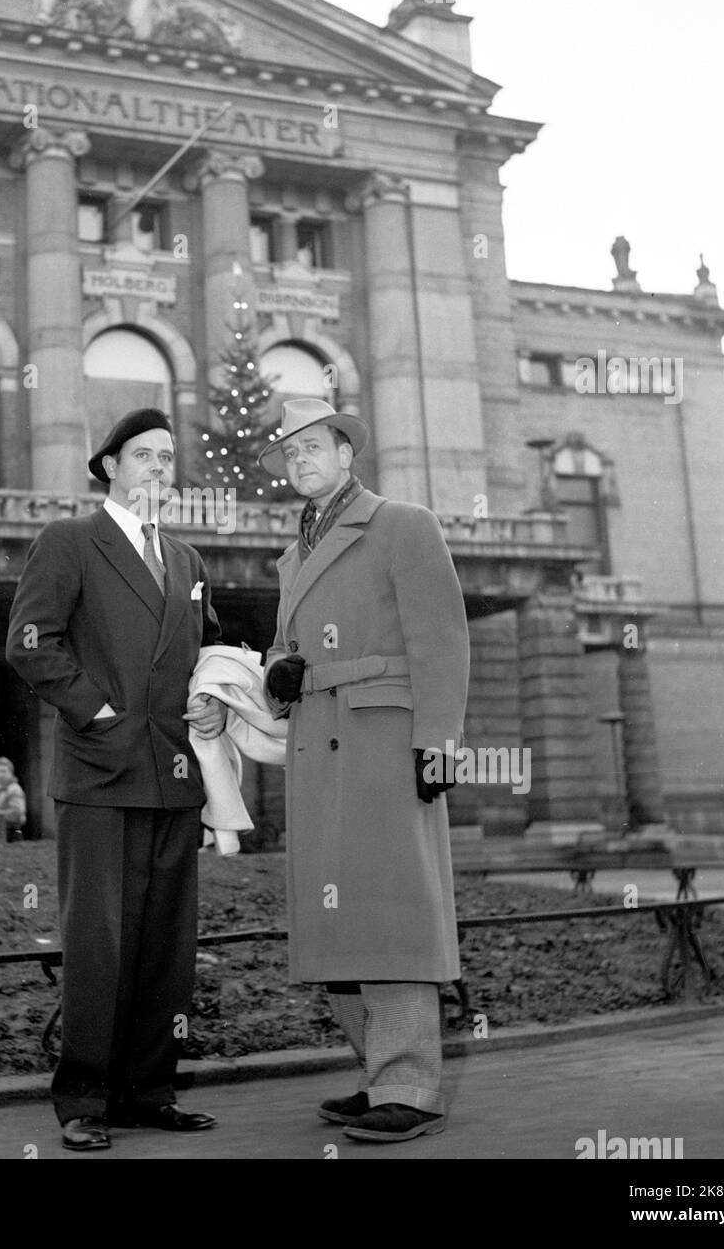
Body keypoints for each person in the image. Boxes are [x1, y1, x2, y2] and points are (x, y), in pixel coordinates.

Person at [5, 408, 226, 1152]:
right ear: (108, 467)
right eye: (142, 456)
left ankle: (148, 1091)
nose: (158, 469)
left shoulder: (189, 562)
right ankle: (84, 1100)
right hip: (102, 771)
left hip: (173, 773)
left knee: (167, 944)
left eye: (168, 458)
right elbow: (30, 643)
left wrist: (232, 690)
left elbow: (209, 651)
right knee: (97, 942)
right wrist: (97, 710)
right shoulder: (69, 542)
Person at [259, 398, 470, 1144]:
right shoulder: (293, 551)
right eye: (291, 453)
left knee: (391, 911)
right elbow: (295, 649)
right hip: (319, 742)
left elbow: (441, 640)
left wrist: (439, 744)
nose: (302, 461)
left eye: (314, 447)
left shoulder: (401, 524)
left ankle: (409, 1085)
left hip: (383, 739)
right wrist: (278, 674)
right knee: (337, 917)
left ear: (347, 452)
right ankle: (376, 1073)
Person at [0, 757, 27, 841]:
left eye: (3, 771)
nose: (0, 775)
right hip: (1, 828)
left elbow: (17, 813)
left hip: (14, 829)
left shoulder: (15, 789)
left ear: (11, 773)